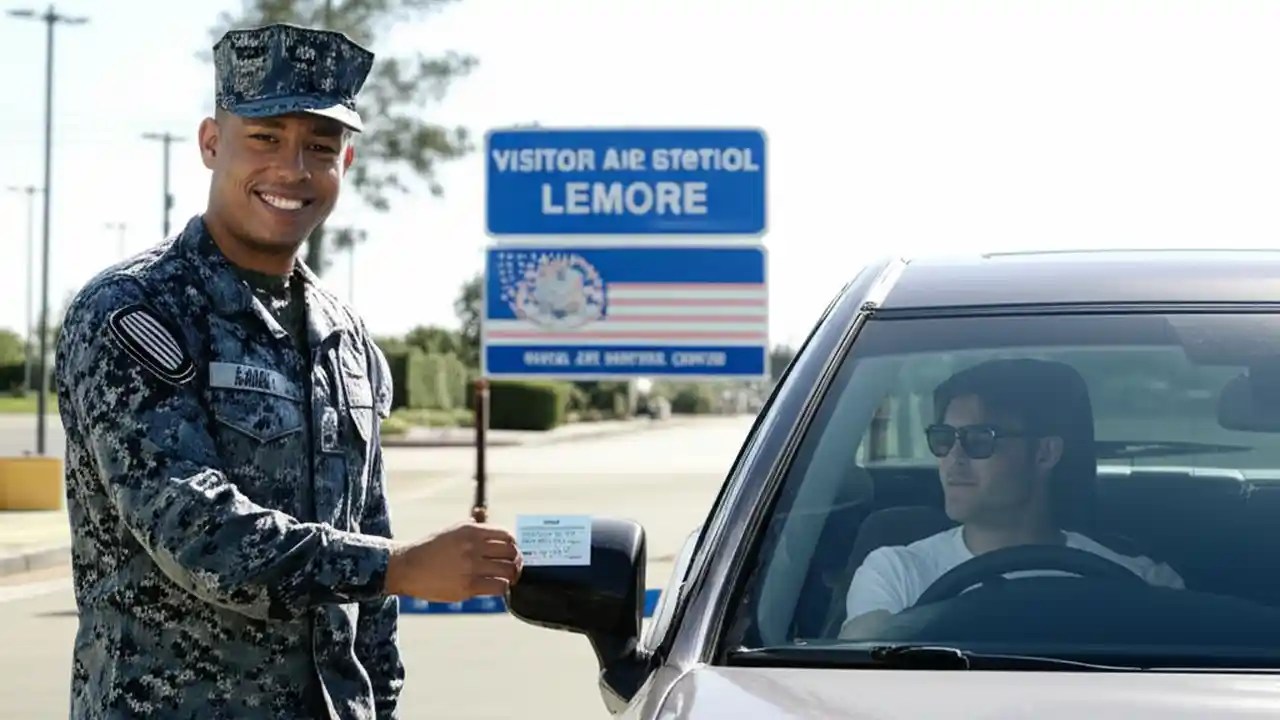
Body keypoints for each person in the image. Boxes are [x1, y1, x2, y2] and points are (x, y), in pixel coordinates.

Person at [53, 23, 521, 720]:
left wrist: (379, 701)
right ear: (213, 143)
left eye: (320, 148)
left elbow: (370, 547)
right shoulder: (133, 311)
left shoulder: (346, 338)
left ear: (347, 162)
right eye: (266, 138)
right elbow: (193, 530)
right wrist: (397, 565)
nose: (293, 170)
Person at [838, 358, 1183, 639]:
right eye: (943, 438)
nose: (953, 458)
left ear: (1045, 454)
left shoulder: (1143, 584)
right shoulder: (897, 573)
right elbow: (851, 677)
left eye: (980, 439)